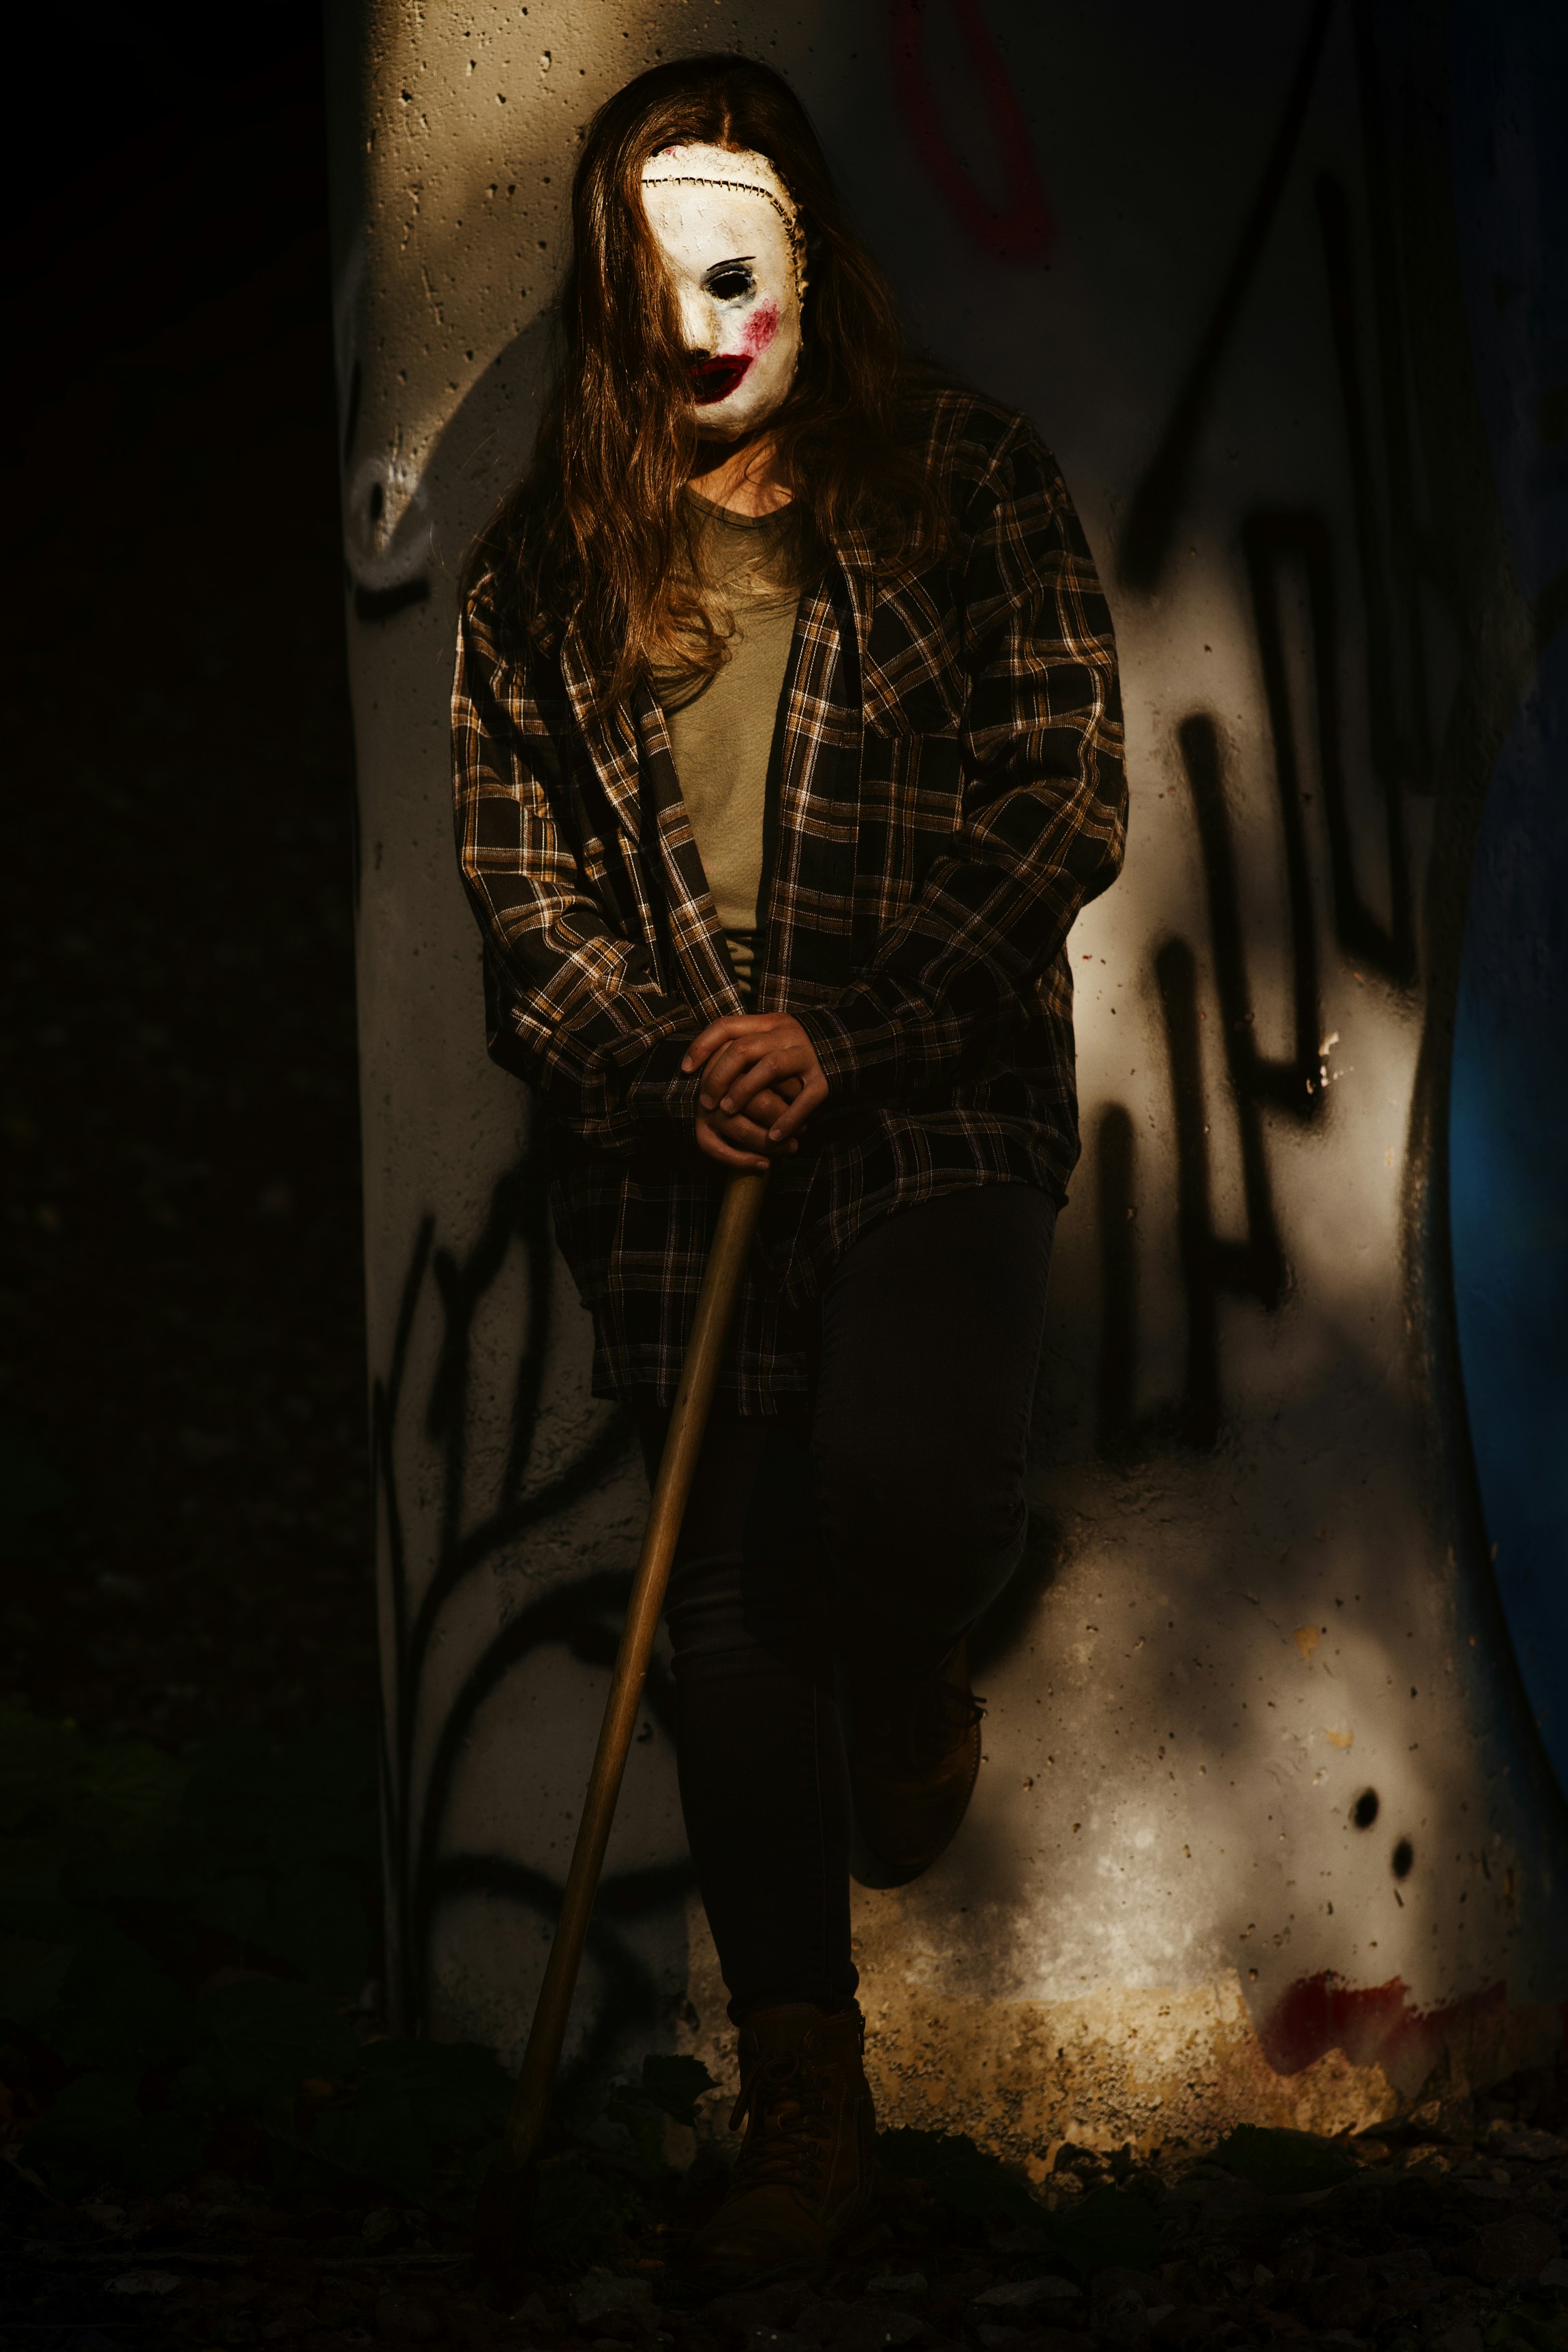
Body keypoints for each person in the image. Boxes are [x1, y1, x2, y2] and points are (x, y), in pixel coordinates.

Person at [453, 53, 1126, 2280]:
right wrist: (678, 1060)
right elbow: (522, 898)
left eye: (736, 267)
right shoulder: (549, 569)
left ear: (811, 256)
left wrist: (847, 1022)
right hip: (676, 1156)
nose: (698, 323)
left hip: (924, 1089)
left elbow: (1061, 796)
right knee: (724, 1620)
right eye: (650, 279)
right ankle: (803, 2113)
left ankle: (918, 1668)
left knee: (894, 1496)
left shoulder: (957, 481)